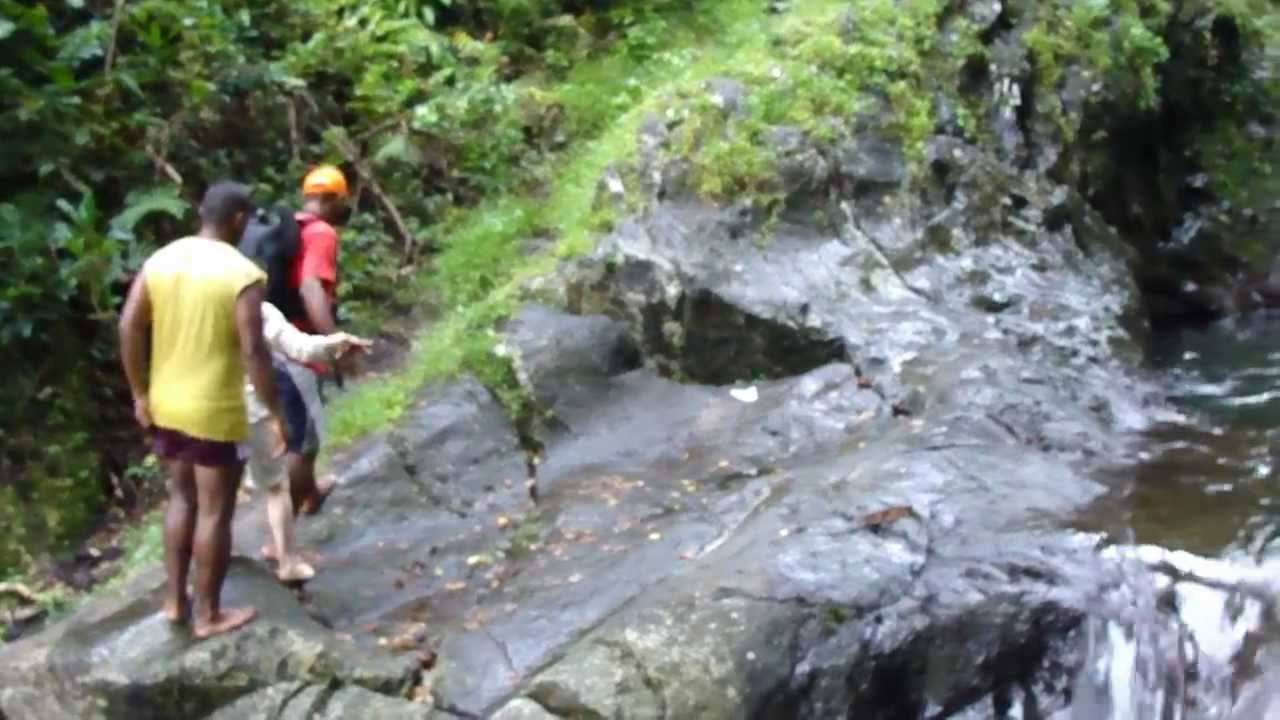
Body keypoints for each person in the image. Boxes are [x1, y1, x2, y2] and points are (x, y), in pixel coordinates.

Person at [118, 182, 285, 640]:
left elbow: (129, 324)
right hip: (213, 410)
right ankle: (208, 615)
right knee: (215, 511)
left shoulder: (163, 259)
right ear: (238, 220)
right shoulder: (242, 274)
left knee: (181, 498)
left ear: (201, 213)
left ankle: (174, 602)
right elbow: (253, 349)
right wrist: (274, 411)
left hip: (166, 404)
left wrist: (139, 391)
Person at [245, 302, 369, 582]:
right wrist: (334, 343)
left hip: (209, 404)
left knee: (215, 486)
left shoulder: (189, 314)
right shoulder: (257, 309)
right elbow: (296, 345)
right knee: (283, 477)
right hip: (260, 395)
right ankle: (285, 558)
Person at [280, 164, 351, 518]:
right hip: (295, 343)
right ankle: (283, 534)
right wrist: (333, 342)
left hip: (269, 336)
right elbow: (311, 287)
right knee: (302, 442)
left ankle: (310, 493)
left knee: (296, 429)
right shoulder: (321, 232)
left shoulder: (288, 227)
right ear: (332, 199)